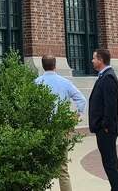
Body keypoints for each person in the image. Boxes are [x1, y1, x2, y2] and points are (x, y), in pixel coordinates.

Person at [35, 55, 87, 191]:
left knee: (40, 166)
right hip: (62, 128)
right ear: (55, 66)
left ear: (43, 66)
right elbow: (82, 100)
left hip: (42, 129)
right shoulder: (65, 82)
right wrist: (74, 118)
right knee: (62, 168)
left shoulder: (36, 83)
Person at [88, 48, 118, 191]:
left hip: (106, 130)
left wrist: (105, 126)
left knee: (110, 163)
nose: (92, 60)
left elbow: (110, 105)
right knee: (108, 162)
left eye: (94, 58)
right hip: (103, 128)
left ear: (101, 60)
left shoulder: (108, 77)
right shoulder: (104, 76)